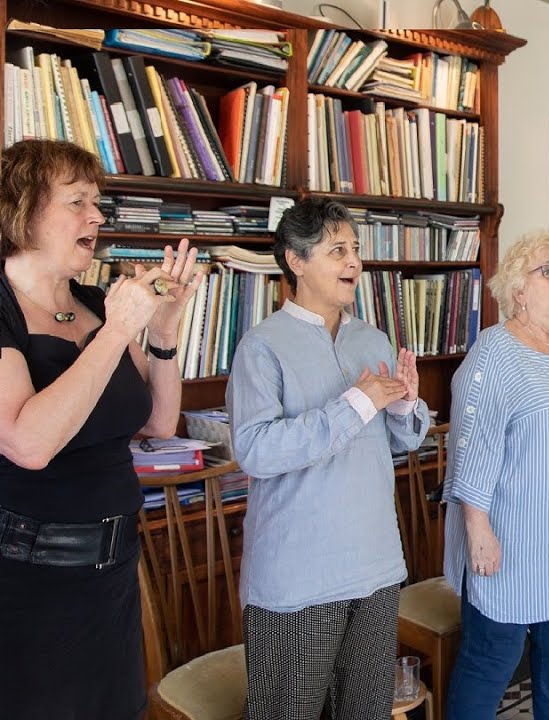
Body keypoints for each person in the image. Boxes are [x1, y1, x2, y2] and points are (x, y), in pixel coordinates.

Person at [0, 138, 199, 718]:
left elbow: (159, 421)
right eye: (77, 201)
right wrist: (115, 334)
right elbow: (27, 443)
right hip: (28, 584)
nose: (97, 216)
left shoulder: (92, 302)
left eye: (98, 202)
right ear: (23, 207)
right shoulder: (6, 307)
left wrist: (162, 326)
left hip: (111, 573)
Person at [227, 198, 429, 719]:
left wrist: (406, 406)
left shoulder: (373, 339)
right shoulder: (261, 346)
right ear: (295, 260)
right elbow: (255, 449)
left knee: (365, 713)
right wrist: (356, 405)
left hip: (376, 567)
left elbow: (395, 441)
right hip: (297, 581)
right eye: (337, 249)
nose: (354, 262)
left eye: (356, 249)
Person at [443, 230, 549, 720]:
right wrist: (478, 530)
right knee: (488, 666)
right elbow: (471, 447)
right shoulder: (493, 354)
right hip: (510, 543)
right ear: (519, 290)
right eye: (548, 271)